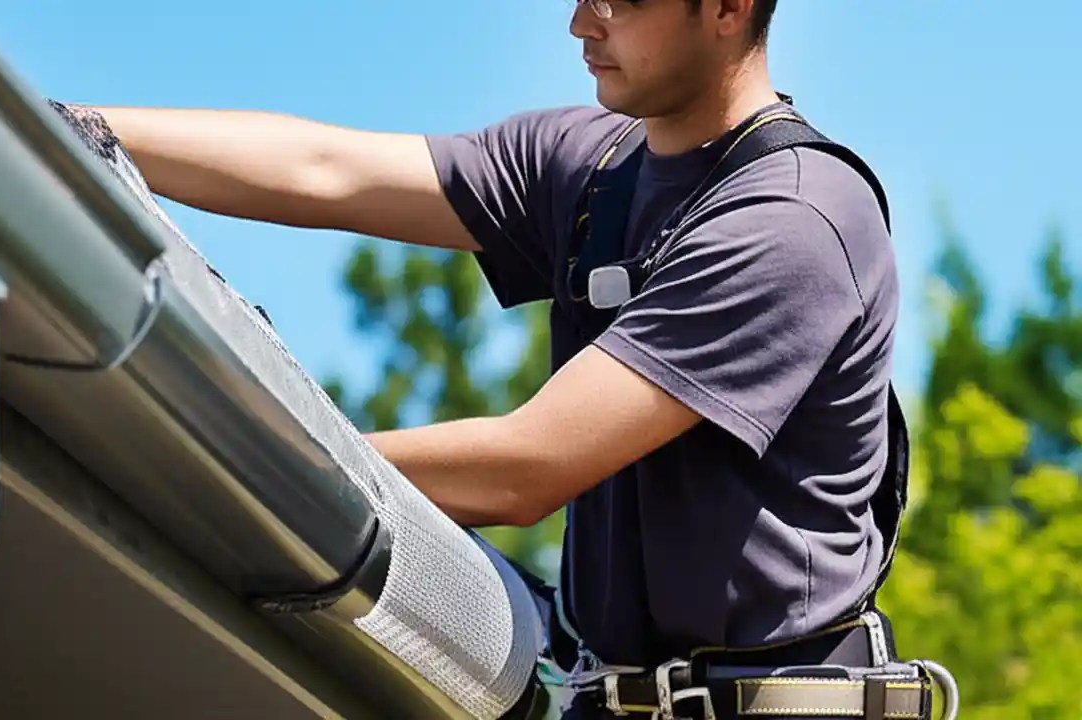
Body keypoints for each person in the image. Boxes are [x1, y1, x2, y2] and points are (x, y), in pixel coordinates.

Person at [77, 1, 921, 717]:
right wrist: (78, 129)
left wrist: (230, 457)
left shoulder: (793, 217)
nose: (580, 21)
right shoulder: (593, 170)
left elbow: (526, 468)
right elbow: (326, 169)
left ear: (731, 7)